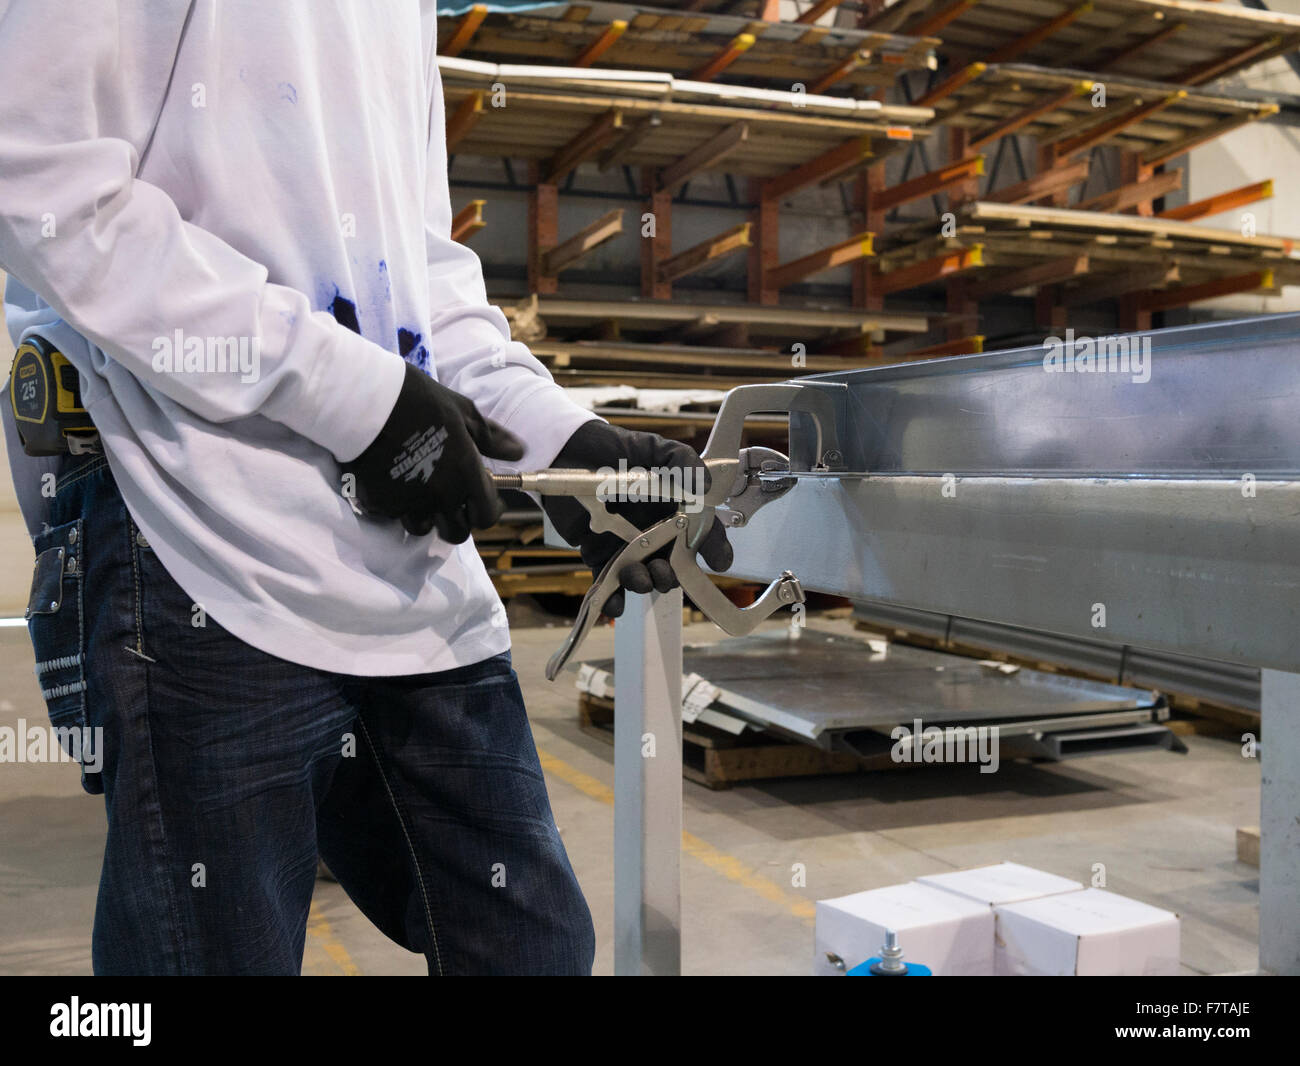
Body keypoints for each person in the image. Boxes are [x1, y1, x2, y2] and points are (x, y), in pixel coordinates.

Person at [0, 0, 729, 975]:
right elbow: (44, 187)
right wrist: (359, 402)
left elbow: (420, 280)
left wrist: (565, 443)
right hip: (201, 534)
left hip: (408, 574)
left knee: (530, 945)